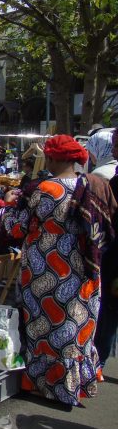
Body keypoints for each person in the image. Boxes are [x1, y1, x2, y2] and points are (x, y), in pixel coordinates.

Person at [0, 135, 116, 405]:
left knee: (45, 329)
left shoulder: (47, 189)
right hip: (84, 270)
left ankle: (51, 387)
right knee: (76, 328)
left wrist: (10, 202)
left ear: (54, 158)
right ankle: (76, 384)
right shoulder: (93, 185)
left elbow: (15, 229)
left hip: (48, 271)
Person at [94, 128, 118, 370]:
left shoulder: (106, 177)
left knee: (109, 309)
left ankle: (97, 362)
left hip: (114, 255)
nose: (113, 150)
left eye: (117, 145)